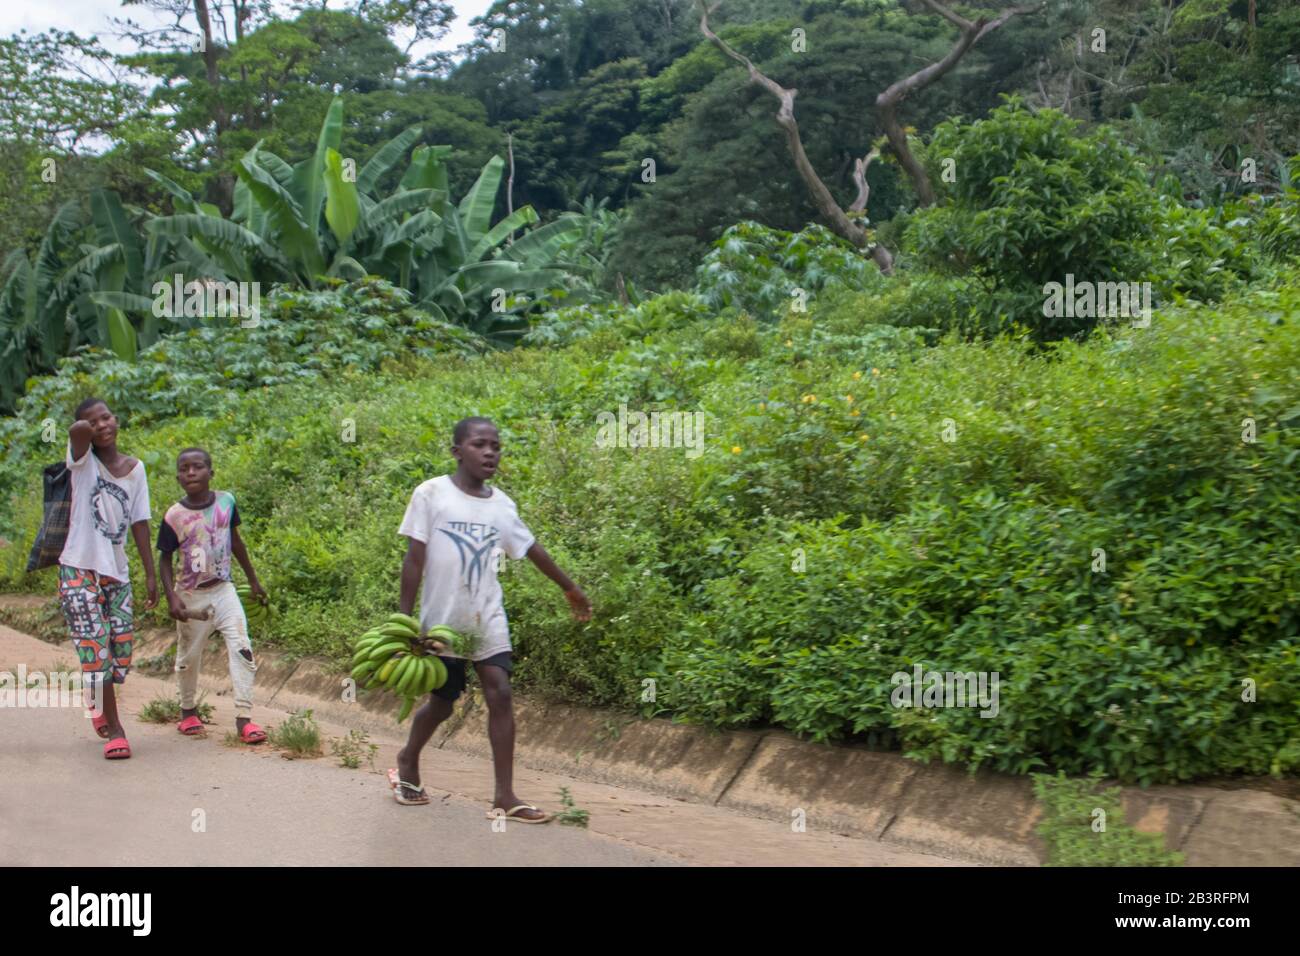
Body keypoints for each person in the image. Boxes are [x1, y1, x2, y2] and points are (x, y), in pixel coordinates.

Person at [389, 417, 592, 821]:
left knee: (500, 693)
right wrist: (404, 620)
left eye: (496, 446)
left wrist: (570, 587)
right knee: (444, 702)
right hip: (442, 621)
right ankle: (408, 759)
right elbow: (414, 559)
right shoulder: (431, 494)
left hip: (487, 617)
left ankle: (505, 796)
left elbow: (531, 547)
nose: (489, 453)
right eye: (480, 444)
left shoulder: (501, 505)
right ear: (457, 451)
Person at [58, 398, 158, 759]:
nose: (101, 425)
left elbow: (140, 522)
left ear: (117, 420)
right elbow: (76, 434)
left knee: (121, 655)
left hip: (116, 574)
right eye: (93, 422)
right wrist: (84, 426)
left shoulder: (136, 470)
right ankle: (116, 730)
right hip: (78, 569)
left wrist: (150, 574)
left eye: (106, 418)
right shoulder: (82, 463)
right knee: (96, 651)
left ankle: (97, 698)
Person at [157, 447, 268, 743]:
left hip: (223, 589)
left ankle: (244, 718)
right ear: (178, 476)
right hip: (191, 595)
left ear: (211, 472)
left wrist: (253, 580)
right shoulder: (174, 516)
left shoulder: (226, 502)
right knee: (188, 656)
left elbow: (236, 542)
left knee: (242, 646)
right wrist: (172, 597)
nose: (190, 473)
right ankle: (187, 712)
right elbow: (165, 559)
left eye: (197, 467)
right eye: (184, 469)